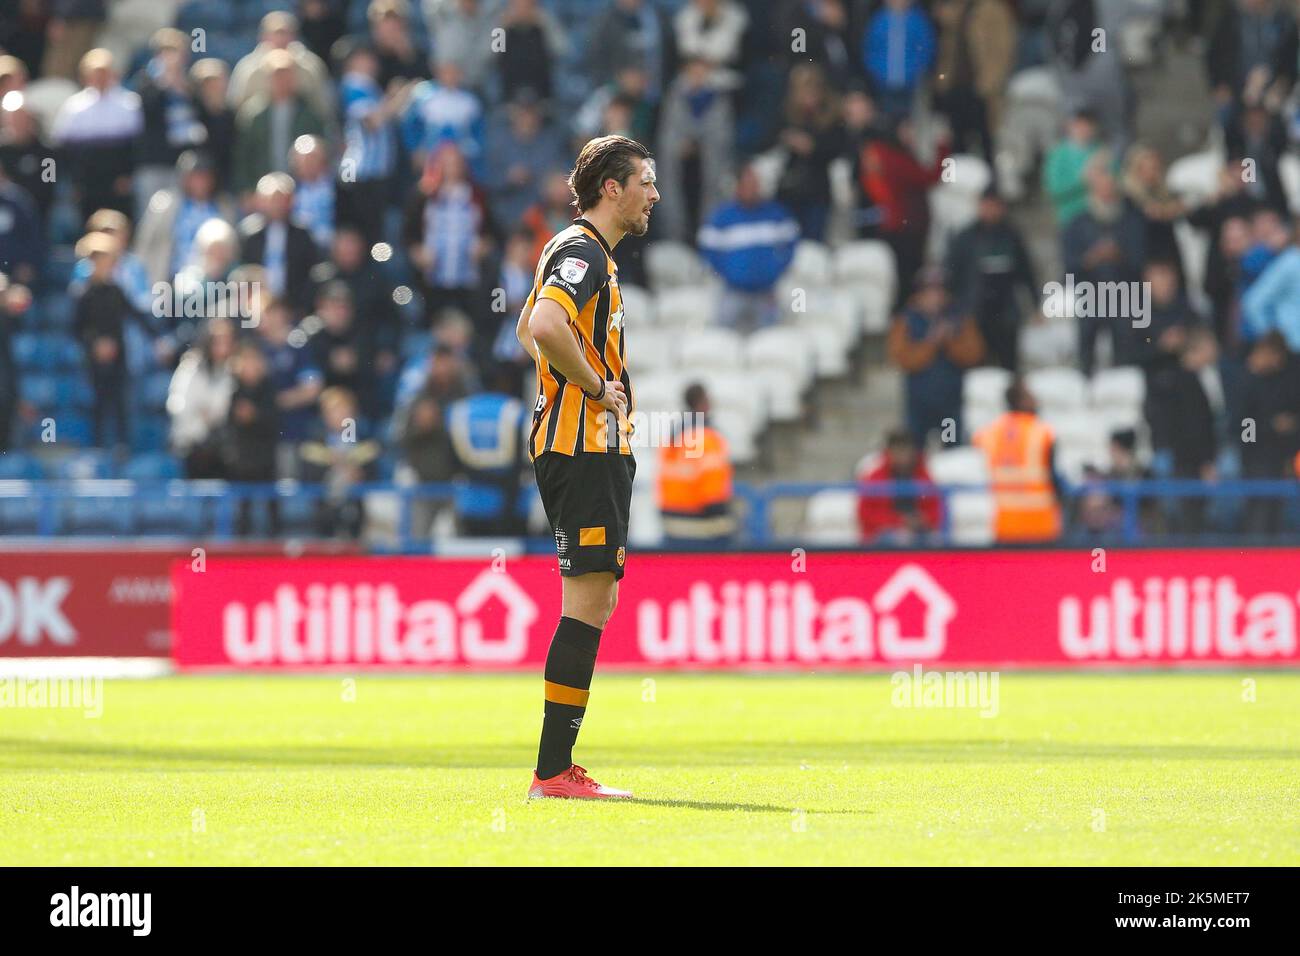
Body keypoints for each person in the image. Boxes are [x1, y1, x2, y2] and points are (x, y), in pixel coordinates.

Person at [512, 135, 657, 799]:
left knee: (596, 601)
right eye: (645, 183)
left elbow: (528, 329)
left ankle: (556, 769)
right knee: (589, 603)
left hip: (583, 446)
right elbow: (543, 326)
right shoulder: (582, 252)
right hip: (585, 446)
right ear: (612, 189)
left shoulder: (571, 250)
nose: (653, 195)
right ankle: (552, 772)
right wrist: (597, 388)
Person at [886, 265, 985, 448]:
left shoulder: (960, 318)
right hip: (918, 405)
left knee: (952, 450)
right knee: (914, 452)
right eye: (929, 290)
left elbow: (974, 355)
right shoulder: (906, 320)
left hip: (950, 404)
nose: (935, 296)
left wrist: (950, 343)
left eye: (940, 290)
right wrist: (931, 343)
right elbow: (903, 359)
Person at [697, 163, 799, 331]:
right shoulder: (720, 218)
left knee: (769, 340)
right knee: (722, 337)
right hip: (732, 292)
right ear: (738, 186)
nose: (753, 189)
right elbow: (708, 254)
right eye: (748, 184)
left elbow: (791, 248)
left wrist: (774, 271)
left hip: (767, 293)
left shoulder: (777, 214)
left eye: (756, 184)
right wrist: (730, 274)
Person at [945, 186, 1037, 371]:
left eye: (995, 206)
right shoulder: (965, 238)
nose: (990, 210)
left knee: (1008, 367)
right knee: (976, 366)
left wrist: (1036, 303)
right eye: (986, 205)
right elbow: (953, 276)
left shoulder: (1011, 236)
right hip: (975, 312)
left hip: (1006, 313)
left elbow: (1026, 272)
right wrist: (955, 309)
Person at [972, 378, 1065, 544]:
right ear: (1021, 401)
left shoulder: (990, 432)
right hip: (1040, 525)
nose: (1036, 400)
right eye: (1030, 396)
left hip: (1005, 526)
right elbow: (1053, 478)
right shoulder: (1042, 432)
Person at [72, 231, 134, 450]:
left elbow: (135, 314)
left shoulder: (117, 291)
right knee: (97, 403)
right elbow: (77, 328)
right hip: (94, 361)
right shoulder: (83, 293)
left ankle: (121, 446)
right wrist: (96, 344)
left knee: (120, 402)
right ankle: (97, 447)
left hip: (118, 357)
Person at [656, 383, 735, 546]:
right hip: (702, 530)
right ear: (703, 402)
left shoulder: (672, 438)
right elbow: (713, 494)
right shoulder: (708, 439)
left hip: (671, 526)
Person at [855, 429, 941, 544]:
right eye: (898, 450)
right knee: (896, 538)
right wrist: (898, 522)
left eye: (906, 450)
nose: (903, 456)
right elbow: (866, 514)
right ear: (889, 452)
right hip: (884, 535)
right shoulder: (875, 477)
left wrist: (921, 520)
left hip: (918, 532)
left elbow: (934, 508)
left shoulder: (923, 475)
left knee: (933, 540)